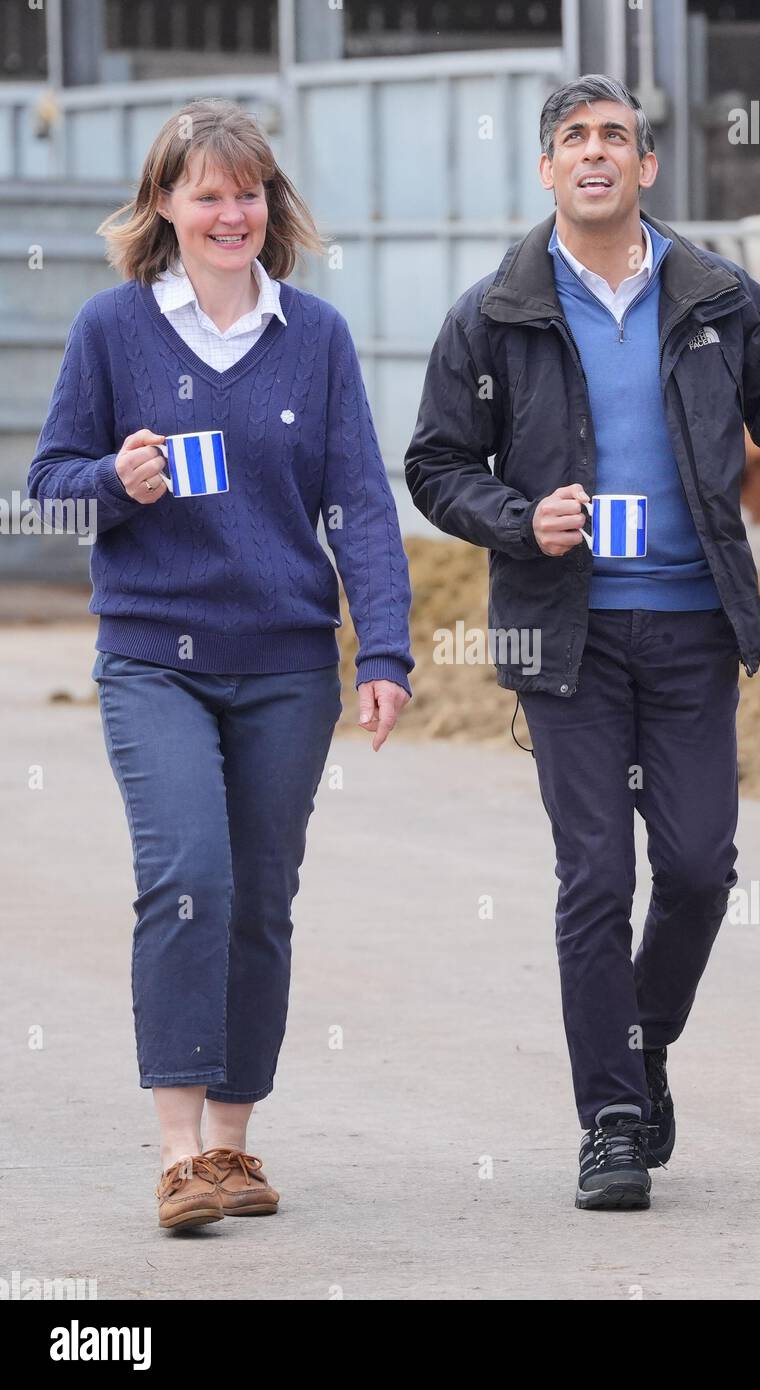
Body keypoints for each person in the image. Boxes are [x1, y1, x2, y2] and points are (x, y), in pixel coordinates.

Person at [404, 74, 760, 1211]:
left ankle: (644, 1040)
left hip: (690, 629)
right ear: (547, 169)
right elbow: (434, 464)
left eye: (616, 139)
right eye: (574, 138)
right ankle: (613, 1120)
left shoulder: (717, 296)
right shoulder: (496, 311)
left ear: (646, 168)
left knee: (694, 871)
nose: (596, 154)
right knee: (593, 876)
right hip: (565, 636)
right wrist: (518, 517)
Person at [28, 99, 414, 1230]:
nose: (230, 212)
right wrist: (115, 478)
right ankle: (177, 1148)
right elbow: (46, 482)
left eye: (247, 193)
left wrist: (382, 644)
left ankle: (236, 1148)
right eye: (206, 194)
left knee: (260, 897)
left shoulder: (319, 337)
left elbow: (361, 506)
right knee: (188, 871)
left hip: (287, 661)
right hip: (153, 655)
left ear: (270, 206)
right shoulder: (113, 330)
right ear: (165, 207)